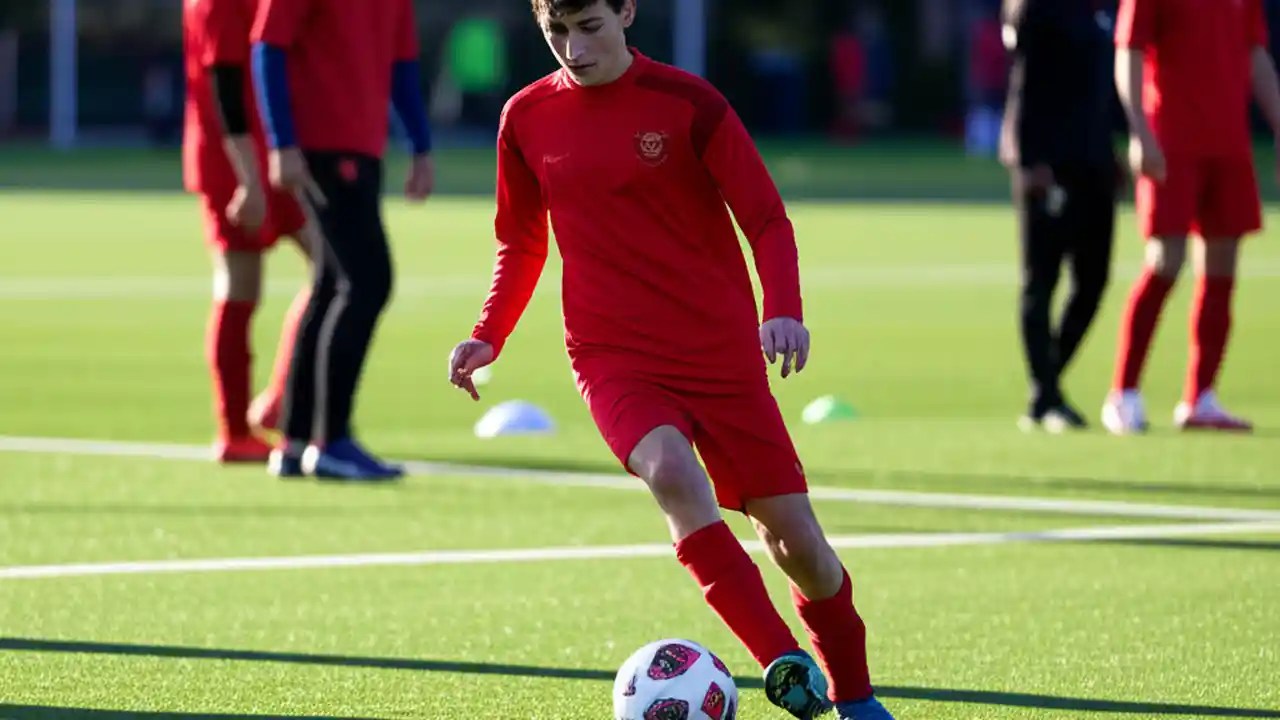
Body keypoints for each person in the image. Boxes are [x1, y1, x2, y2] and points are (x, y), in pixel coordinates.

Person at [445, 2, 894, 718]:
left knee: (796, 543)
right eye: (556, 33)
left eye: (589, 25)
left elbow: (766, 218)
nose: (573, 48)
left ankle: (857, 697)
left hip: (720, 354)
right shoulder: (525, 118)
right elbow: (521, 243)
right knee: (670, 472)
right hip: (610, 354)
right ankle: (781, 660)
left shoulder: (689, 103)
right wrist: (488, 333)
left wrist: (783, 308)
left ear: (626, 11)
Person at [251, 0, 436, 479]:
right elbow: (267, 48)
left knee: (333, 283)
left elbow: (401, 65)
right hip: (320, 143)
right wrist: (281, 142)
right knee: (368, 281)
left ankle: (295, 441)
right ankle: (330, 439)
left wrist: (420, 145)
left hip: (362, 145)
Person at [1104, 0, 1280, 434]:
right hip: (1172, 139)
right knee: (1166, 260)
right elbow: (1129, 48)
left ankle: (1200, 398)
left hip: (1229, 143)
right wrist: (1138, 130)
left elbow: (1254, 52)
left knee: (1223, 270)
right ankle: (1123, 392)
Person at [182, 0, 316, 464]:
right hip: (234, 163)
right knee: (240, 285)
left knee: (333, 269)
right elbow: (224, 83)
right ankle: (234, 430)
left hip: (269, 153)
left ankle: (280, 397)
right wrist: (247, 178)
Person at [999, 0, 1120, 432]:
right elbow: (1026, 84)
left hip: (1094, 160)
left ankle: (1045, 388)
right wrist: (1029, 160)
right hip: (1049, 163)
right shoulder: (1037, 9)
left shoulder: (1098, 8)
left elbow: (1104, 85)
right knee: (1041, 280)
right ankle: (1045, 393)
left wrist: (1115, 147)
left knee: (1093, 279)